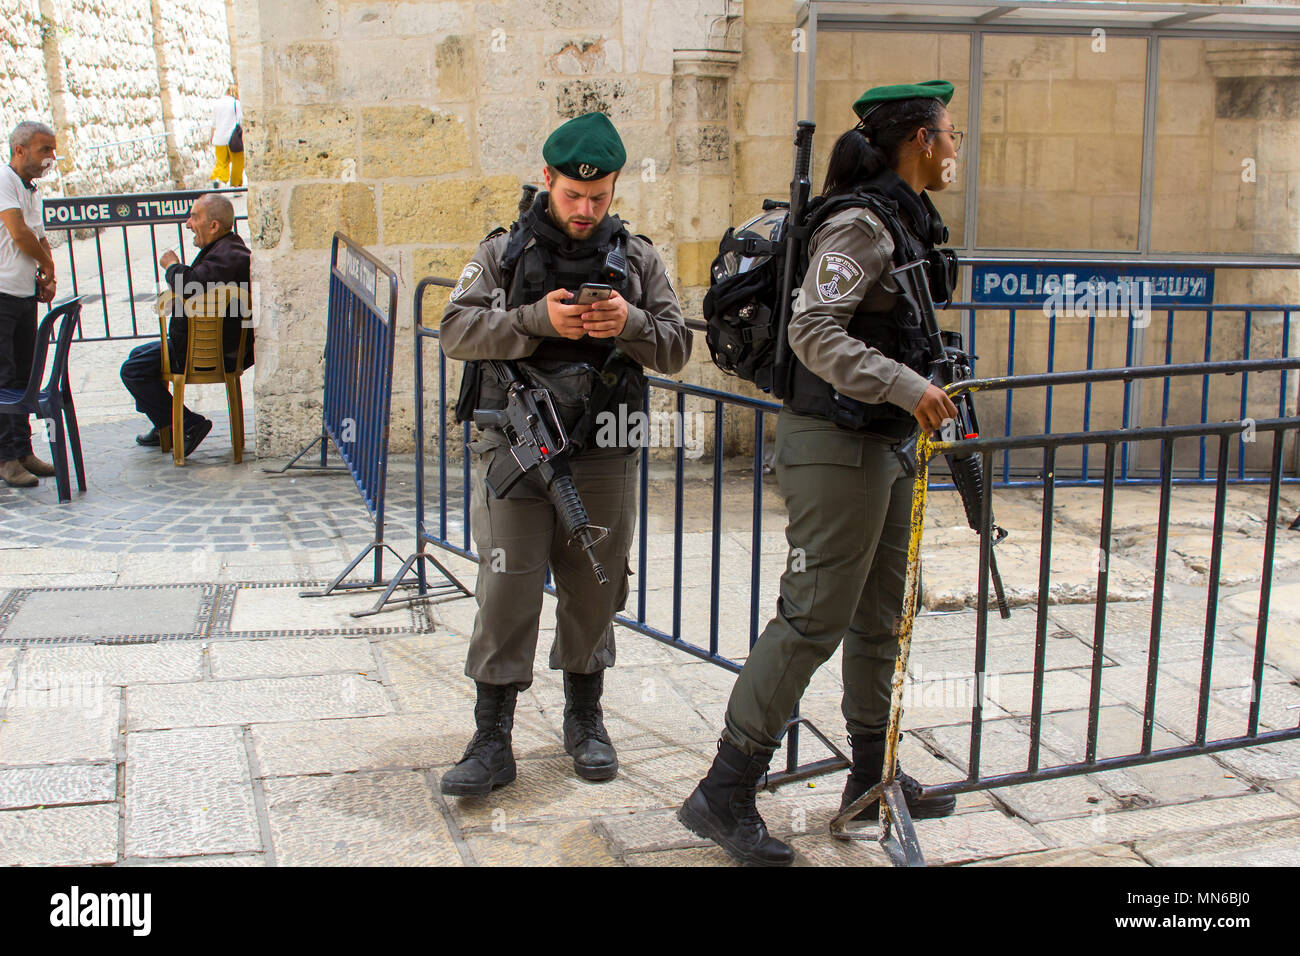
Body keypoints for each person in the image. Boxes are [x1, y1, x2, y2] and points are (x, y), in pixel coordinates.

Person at [677, 81, 965, 865]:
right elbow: (812, 329)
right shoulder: (862, 224)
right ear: (920, 140)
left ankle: (872, 777)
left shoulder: (904, 219)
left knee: (882, 615)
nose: (956, 148)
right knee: (812, 619)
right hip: (836, 444)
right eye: (952, 134)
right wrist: (909, 386)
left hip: (884, 441)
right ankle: (724, 791)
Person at [438, 111, 691, 796]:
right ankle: (492, 739)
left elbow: (678, 345)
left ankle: (586, 720)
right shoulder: (502, 253)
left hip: (605, 448)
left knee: (595, 585)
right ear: (546, 179)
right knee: (506, 587)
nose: (585, 209)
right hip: (517, 448)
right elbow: (455, 328)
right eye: (573, 195)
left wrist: (630, 323)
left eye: (600, 196)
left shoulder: (637, 260)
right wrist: (532, 322)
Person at [120, 193, 252, 455]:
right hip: (202, 345)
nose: (188, 223)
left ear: (213, 225)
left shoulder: (230, 254)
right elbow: (203, 291)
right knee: (138, 356)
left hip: (209, 352)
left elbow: (192, 285)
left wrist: (171, 266)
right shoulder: (225, 249)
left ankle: (188, 424)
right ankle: (163, 426)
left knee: (133, 370)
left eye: (194, 217)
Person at [0, 121, 59, 489]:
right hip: (2, 294)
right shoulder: (4, 180)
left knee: (23, 377)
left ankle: (22, 450)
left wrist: (48, 274)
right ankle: (6, 458)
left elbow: (38, 235)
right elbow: (18, 232)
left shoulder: (30, 189)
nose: (50, 158)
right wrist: (47, 265)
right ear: (20, 150)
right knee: (3, 379)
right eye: (44, 150)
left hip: (22, 294)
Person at [209, 84, 243, 188]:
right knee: (237, 162)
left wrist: (212, 136)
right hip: (233, 139)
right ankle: (236, 185)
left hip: (219, 138)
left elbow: (213, 123)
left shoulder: (216, 104)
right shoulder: (236, 104)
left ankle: (218, 179)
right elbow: (240, 121)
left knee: (221, 162)